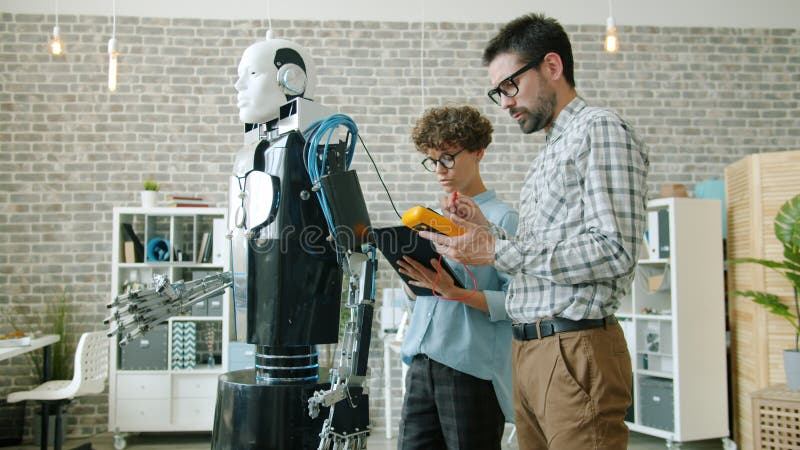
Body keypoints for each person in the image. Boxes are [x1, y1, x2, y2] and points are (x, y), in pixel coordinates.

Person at [420, 14, 649, 450]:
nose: (504, 102)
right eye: (498, 92)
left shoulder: (599, 130)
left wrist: (495, 251)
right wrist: (489, 232)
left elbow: (614, 250)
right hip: (529, 350)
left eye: (510, 86)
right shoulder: (549, 151)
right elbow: (538, 256)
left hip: (574, 347)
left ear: (552, 66)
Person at [396, 105, 519, 450]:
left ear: (478, 151)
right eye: (432, 160)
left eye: (448, 158)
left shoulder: (503, 219)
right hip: (420, 362)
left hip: (471, 372)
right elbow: (418, 297)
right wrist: (411, 279)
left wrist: (456, 292)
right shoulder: (430, 217)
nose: (439, 170)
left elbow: (517, 302)